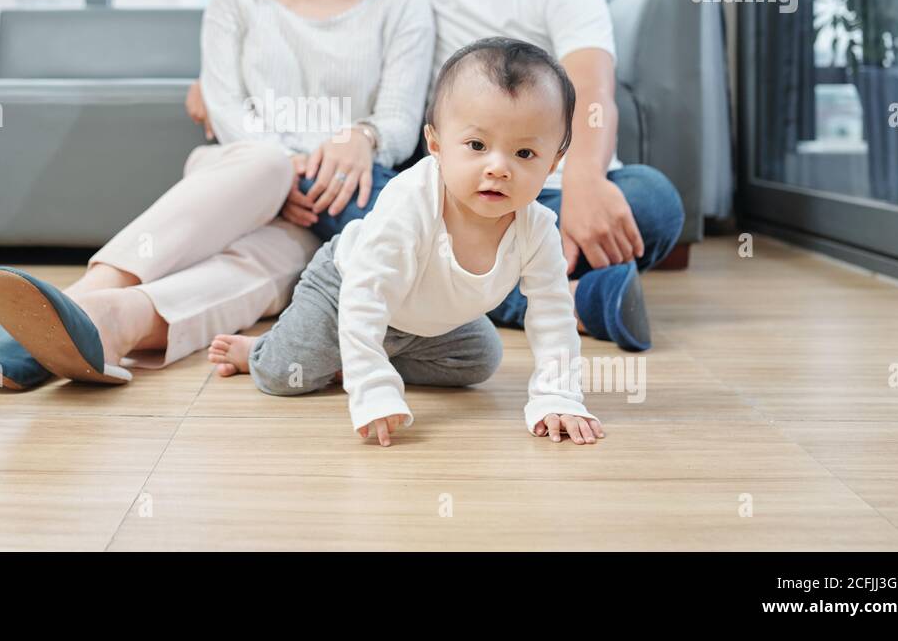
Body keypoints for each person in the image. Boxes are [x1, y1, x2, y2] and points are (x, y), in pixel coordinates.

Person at [187, 0, 684, 351]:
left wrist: (587, 180)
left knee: (655, 200)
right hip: (448, 202)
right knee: (346, 188)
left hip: (551, 192)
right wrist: (216, 83)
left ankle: (515, 282)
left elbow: (592, 91)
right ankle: (575, 299)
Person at [0, 0, 436, 389]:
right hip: (238, 178)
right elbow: (228, 113)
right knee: (266, 162)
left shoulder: (403, 5)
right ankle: (85, 297)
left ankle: (112, 324)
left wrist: (362, 137)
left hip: (320, 209)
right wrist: (291, 171)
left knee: (282, 260)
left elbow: (401, 123)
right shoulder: (236, 0)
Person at [208, 38, 605, 447]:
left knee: (479, 360)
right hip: (348, 287)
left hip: (424, 321)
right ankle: (261, 350)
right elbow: (367, 294)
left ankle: (364, 351)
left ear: (554, 162)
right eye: (476, 146)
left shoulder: (537, 229)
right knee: (282, 375)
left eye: (524, 153)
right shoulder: (411, 201)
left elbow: (554, 314)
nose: (498, 168)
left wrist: (558, 396)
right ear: (435, 144)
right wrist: (374, 388)